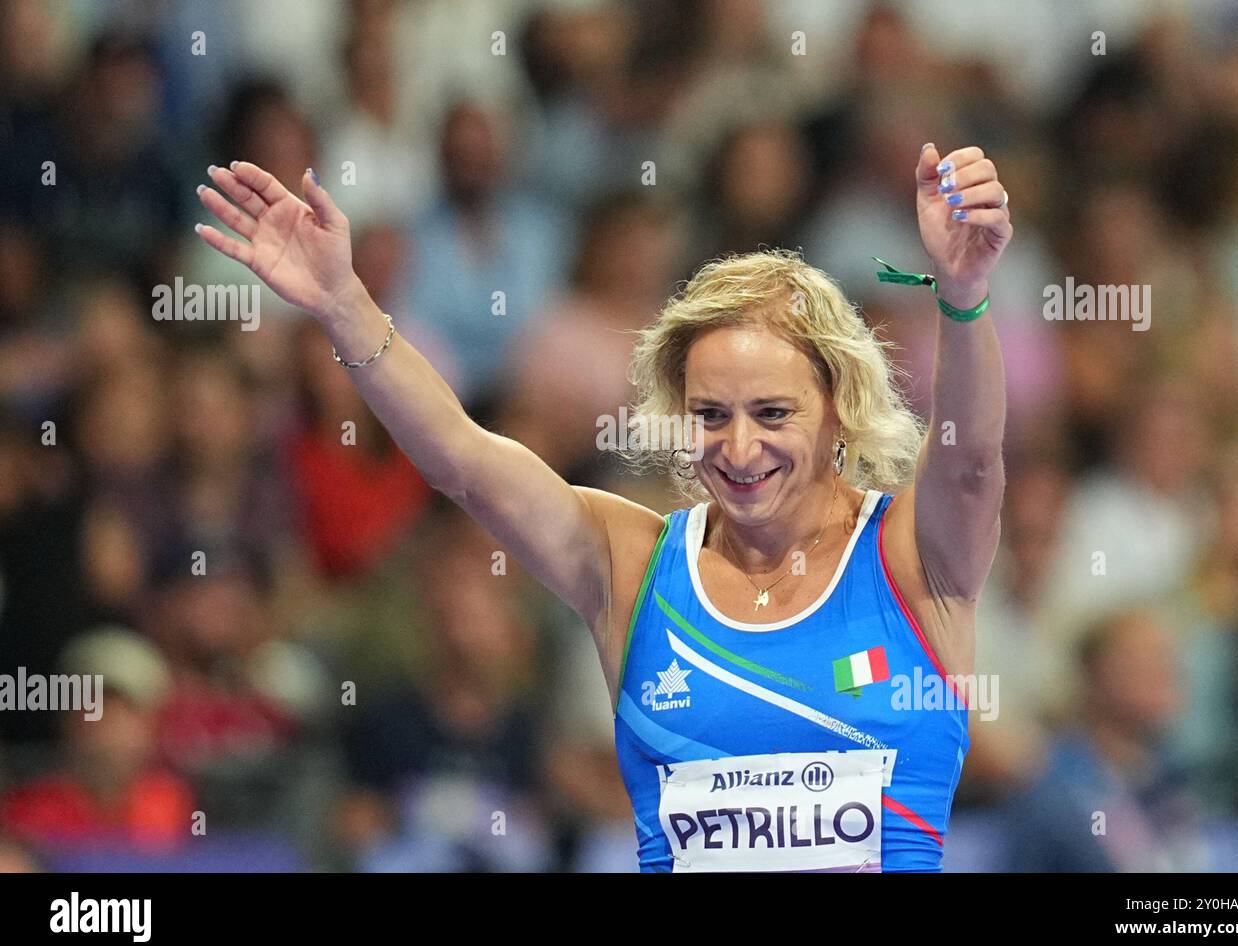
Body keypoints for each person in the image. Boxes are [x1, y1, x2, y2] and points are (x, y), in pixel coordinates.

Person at [194, 141, 1012, 872]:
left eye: (772, 414)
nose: (736, 448)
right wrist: (344, 304)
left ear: (838, 407)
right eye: (710, 415)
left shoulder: (911, 557)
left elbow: (971, 463)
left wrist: (965, 294)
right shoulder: (634, 562)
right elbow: (466, 461)